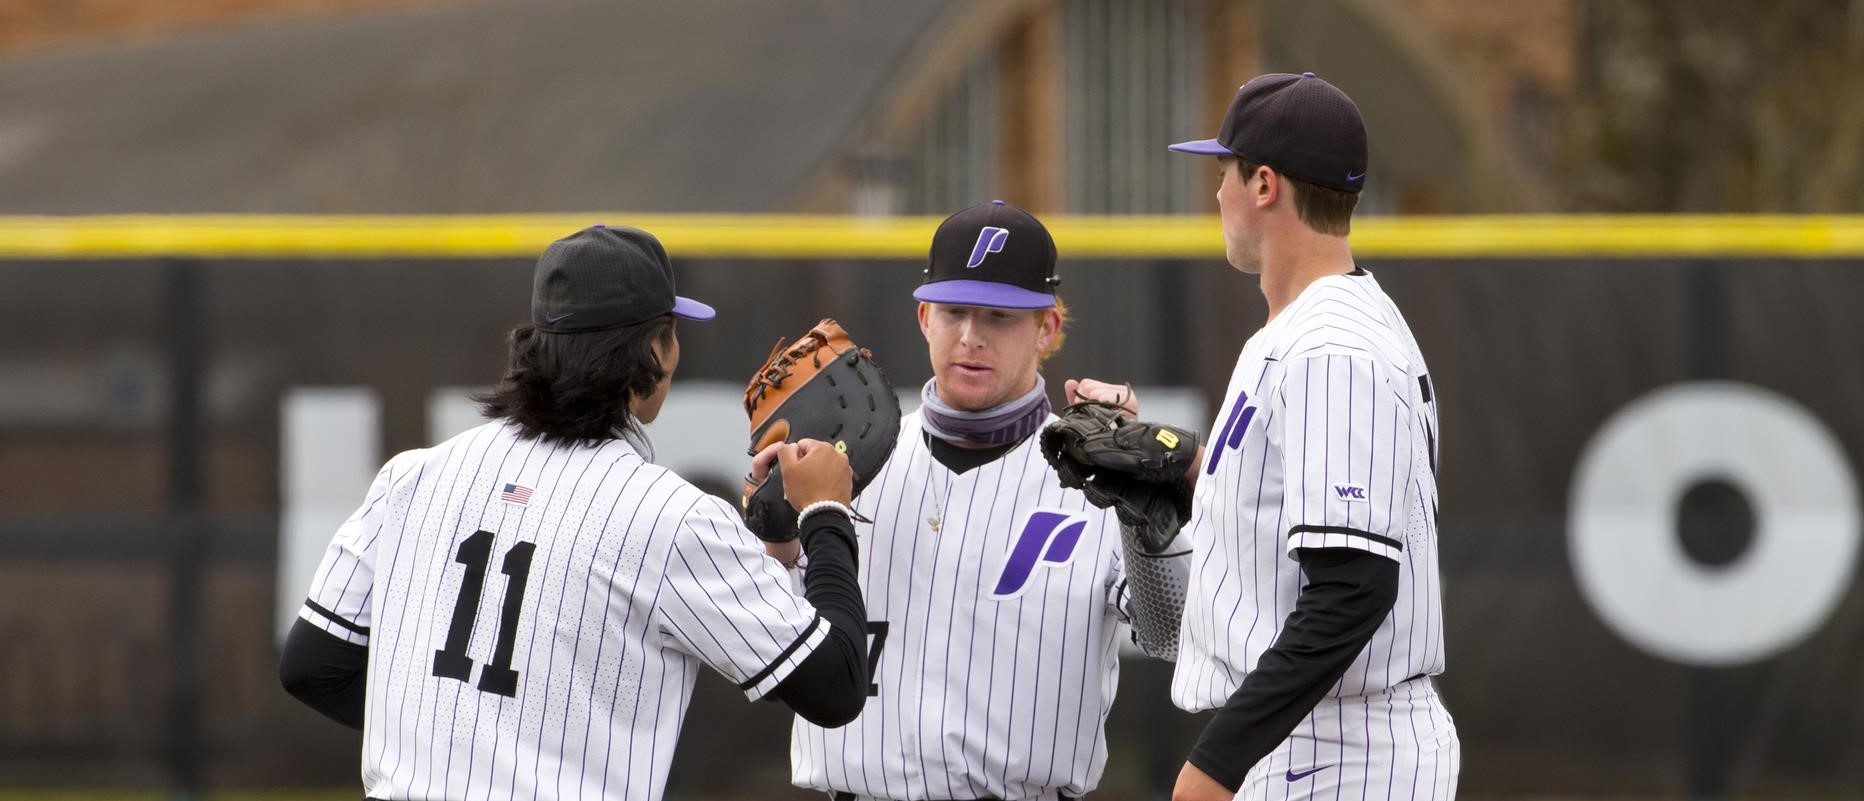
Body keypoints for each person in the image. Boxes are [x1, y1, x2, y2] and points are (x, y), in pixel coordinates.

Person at [277, 224, 871, 801]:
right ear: (654, 351)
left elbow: (311, 666)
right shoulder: (669, 516)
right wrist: (824, 511)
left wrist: (464, 740)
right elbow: (837, 685)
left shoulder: (412, 476)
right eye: (672, 331)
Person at [753, 200, 1190, 801]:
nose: (971, 336)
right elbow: (770, 646)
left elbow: (1170, 637)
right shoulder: (839, 467)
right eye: (955, 310)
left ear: (1047, 328)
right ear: (924, 316)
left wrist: (1142, 511)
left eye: (999, 315)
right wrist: (776, 546)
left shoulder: (1102, 476)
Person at [1148, 72, 1458, 800]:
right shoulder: (1313, 328)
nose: (1216, 192)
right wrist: (1181, 468)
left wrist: (1214, 766)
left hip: (1337, 747)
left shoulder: (1331, 346)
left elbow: (1353, 588)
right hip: (1313, 740)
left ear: (1263, 184)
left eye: (1223, 171)